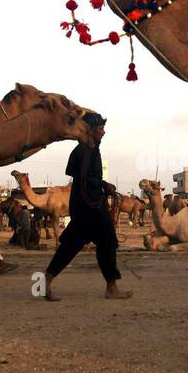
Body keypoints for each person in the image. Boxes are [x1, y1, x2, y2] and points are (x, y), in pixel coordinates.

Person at [41, 113, 131, 300]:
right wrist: (103, 185)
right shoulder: (85, 150)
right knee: (99, 243)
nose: (103, 132)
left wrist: (101, 185)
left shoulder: (89, 149)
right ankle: (111, 288)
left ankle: (46, 281)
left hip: (89, 204)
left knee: (87, 244)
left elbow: (83, 176)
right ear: (90, 131)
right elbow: (83, 179)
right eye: (100, 129)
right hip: (90, 206)